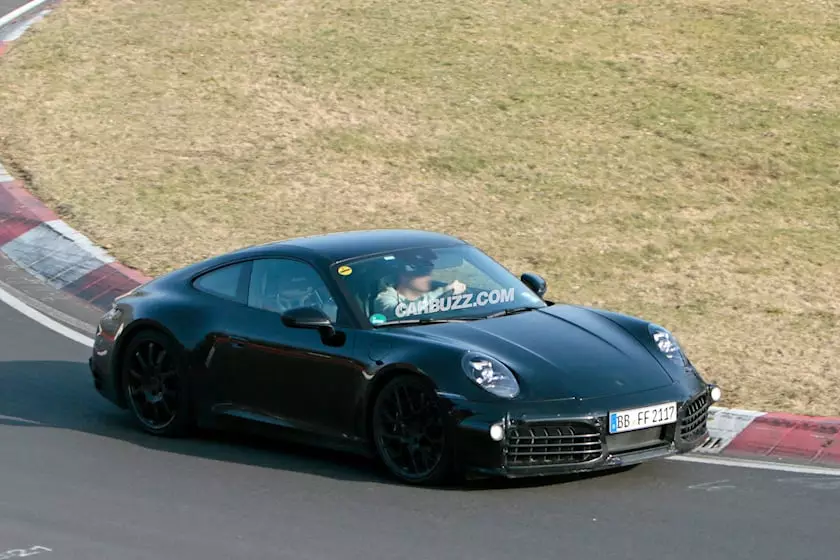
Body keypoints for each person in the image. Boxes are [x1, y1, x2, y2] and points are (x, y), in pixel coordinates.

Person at [373, 256, 466, 320]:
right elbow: (402, 312)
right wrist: (443, 292)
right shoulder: (384, 299)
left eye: (429, 272)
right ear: (404, 275)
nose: (428, 277)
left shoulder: (431, 292)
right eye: (423, 273)